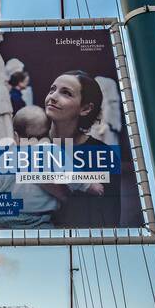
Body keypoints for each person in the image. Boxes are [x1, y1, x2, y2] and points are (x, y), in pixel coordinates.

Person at [44, 71, 123, 229]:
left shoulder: (104, 156)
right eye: (52, 89)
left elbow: (108, 220)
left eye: (66, 93)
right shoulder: (26, 147)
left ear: (86, 108)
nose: (52, 97)